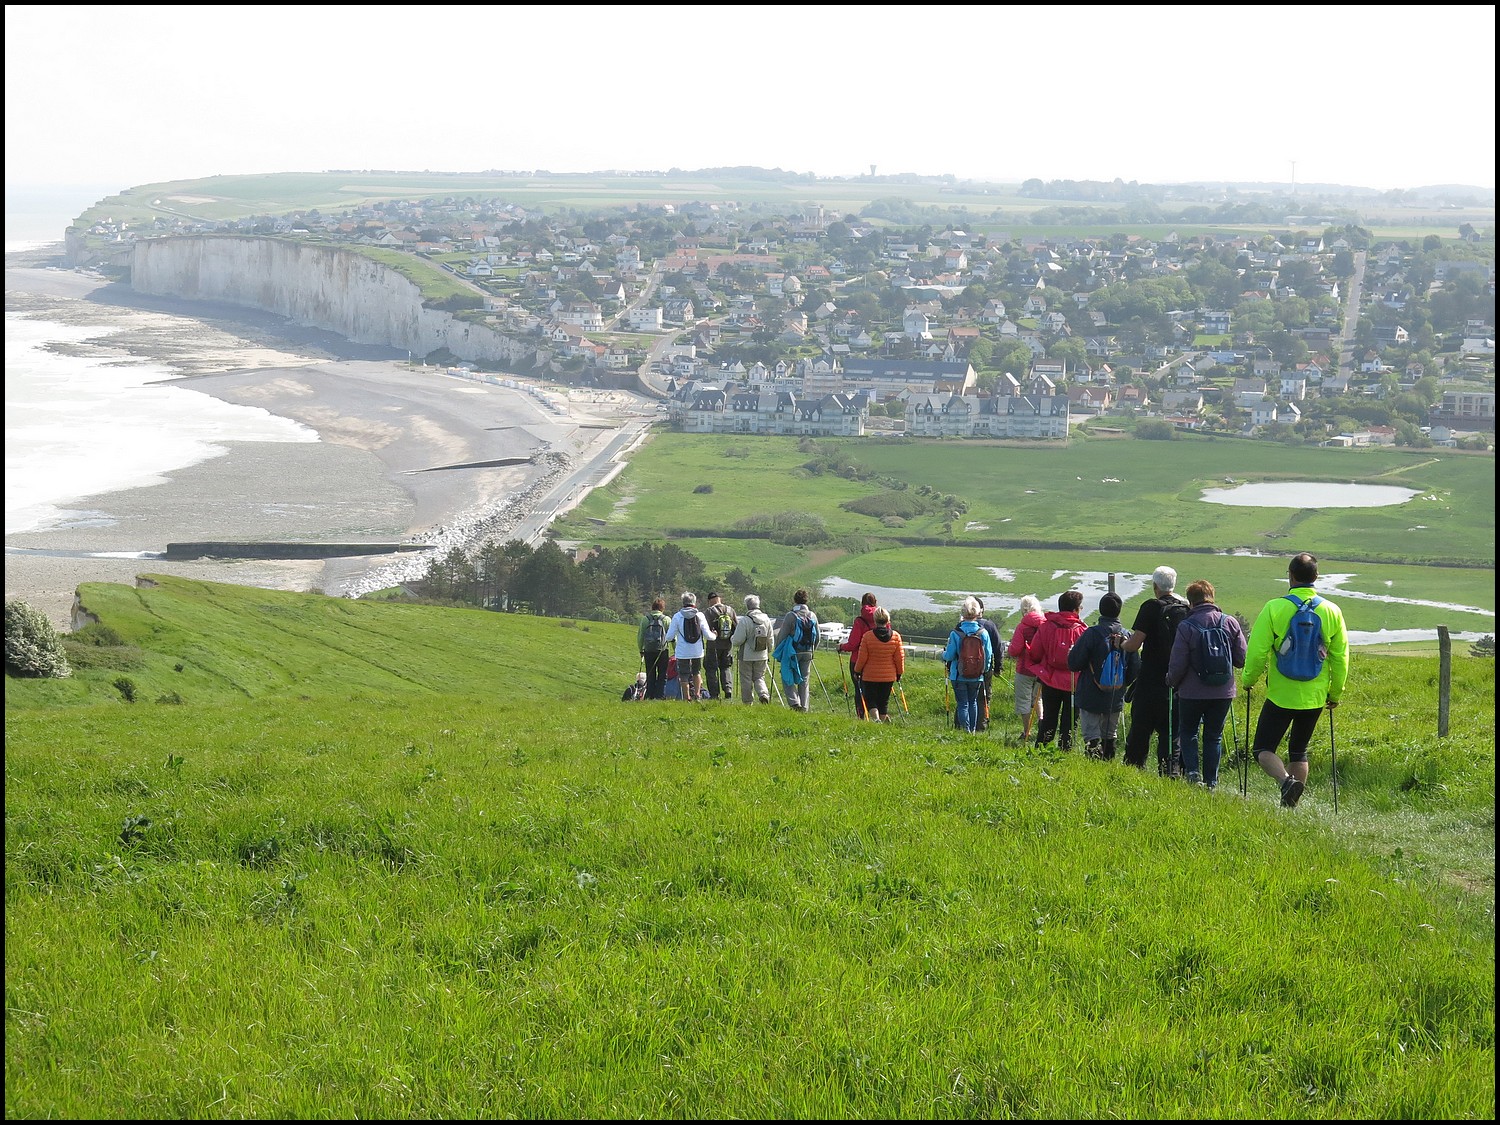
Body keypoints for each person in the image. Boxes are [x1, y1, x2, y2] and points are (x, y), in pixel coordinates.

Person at [1242, 553, 1350, 808]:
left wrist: (1249, 680)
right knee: (1299, 750)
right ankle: (1291, 806)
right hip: (1314, 696)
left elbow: (1257, 652)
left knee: (1262, 749)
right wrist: (1335, 694)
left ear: (1289, 575)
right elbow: (1340, 658)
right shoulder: (1332, 610)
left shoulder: (1274, 607)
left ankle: (1285, 783)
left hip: (1281, 694)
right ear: (1316, 577)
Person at [1166, 579, 1248, 789]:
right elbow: (1241, 659)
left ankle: (1193, 774)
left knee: (1188, 731)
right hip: (1223, 691)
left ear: (1190, 602)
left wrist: (1171, 681)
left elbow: (1178, 662)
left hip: (1191, 692)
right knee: (1214, 736)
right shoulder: (1229, 622)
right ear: (1212, 597)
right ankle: (1211, 782)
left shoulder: (1186, 626)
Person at [1121, 566, 1190, 776]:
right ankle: (1170, 771)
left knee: (1141, 728)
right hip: (1177, 680)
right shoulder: (1185, 608)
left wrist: (1122, 644)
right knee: (1171, 732)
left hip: (1150, 679)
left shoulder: (1151, 607)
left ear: (1154, 586)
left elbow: (1135, 644)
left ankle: (1134, 768)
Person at [1067, 592, 1139, 760]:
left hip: (1090, 693)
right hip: (1115, 694)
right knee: (1110, 733)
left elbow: (1074, 663)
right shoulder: (1127, 636)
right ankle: (1108, 764)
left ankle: (1093, 767)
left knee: (1091, 734)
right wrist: (1121, 683)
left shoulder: (1091, 634)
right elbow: (1135, 666)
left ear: (1100, 610)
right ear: (1119, 611)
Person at [1027, 590, 1087, 750]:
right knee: (1070, 720)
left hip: (1050, 678)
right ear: (1076, 609)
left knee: (1049, 717)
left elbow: (1035, 652)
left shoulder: (1046, 626)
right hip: (1074, 682)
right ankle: (1065, 750)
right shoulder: (1082, 630)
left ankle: (1041, 748)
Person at [942, 596, 993, 733]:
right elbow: (988, 654)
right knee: (973, 702)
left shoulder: (956, 633)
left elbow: (950, 655)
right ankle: (973, 731)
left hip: (958, 675)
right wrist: (984, 669)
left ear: (963, 613)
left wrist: (943, 655)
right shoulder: (983, 633)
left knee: (962, 703)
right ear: (977, 612)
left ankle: (966, 731)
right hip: (977, 675)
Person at [853, 607, 905, 722]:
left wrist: (857, 671)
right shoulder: (896, 637)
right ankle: (881, 720)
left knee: (870, 699)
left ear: (875, 620)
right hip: (888, 675)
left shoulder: (867, 636)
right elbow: (899, 658)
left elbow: (862, 658)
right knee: (883, 700)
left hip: (870, 675)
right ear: (888, 621)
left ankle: (876, 720)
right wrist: (899, 673)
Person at [1007, 594, 1046, 743]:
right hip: (1041, 670)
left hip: (1024, 669)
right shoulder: (1045, 625)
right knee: (1038, 698)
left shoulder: (1022, 627)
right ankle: (1042, 725)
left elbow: (1014, 650)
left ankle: (1026, 732)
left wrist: (1010, 649)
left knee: (1023, 700)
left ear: (1023, 610)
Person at [665, 591, 715, 703]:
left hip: (682, 652)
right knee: (696, 672)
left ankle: (686, 698)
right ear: (694, 602)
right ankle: (697, 695)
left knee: (683, 675)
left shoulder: (677, 616)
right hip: (697, 651)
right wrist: (715, 635)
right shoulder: (700, 615)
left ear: (683, 602)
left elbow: (669, 637)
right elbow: (708, 635)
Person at [775, 589, 819, 712]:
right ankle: (804, 706)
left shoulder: (791, 616)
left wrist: (777, 651)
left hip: (792, 651)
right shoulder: (812, 615)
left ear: (795, 600)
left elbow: (782, 635)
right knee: (804, 679)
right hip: (808, 651)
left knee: (787, 675)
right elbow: (818, 637)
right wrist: (812, 650)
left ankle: (794, 703)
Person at [838, 592, 880, 718]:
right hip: (876, 660)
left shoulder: (859, 621)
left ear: (862, 603)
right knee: (875, 689)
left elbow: (853, 644)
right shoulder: (882, 619)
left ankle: (861, 715)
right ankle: (878, 714)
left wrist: (841, 647)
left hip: (858, 660)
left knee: (859, 689)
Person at [730, 594, 775, 704]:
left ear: (747, 606)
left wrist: (732, 638)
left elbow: (737, 640)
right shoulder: (767, 619)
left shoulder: (745, 620)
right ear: (758, 605)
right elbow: (770, 638)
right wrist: (769, 650)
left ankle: (748, 702)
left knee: (746, 678)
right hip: (762, 654)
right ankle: (763, 694)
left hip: (746, 655)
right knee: (759, 677)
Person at [973, 597, 1006, 732]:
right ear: (981, 610)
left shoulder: (960, 627)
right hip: (984, 669)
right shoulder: (989, 626)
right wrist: (998, 667)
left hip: (963, 669)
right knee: (984, 697)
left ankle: (962, 726)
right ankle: (981, 726)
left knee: (965, 698)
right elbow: (998, 648)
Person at [702, 591, 738, 701]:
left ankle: (714, 694)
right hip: (727, 645)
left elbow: (705, 628)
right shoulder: (730, 610)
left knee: (711, 669)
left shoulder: (709, 612)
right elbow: (736, 627)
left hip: (713, 645)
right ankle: (728, 689)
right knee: (725, 667)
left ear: (709, 601)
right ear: (720, 598)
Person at [637, 596, 672, 700]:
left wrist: (641, 650)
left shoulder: (645, 619)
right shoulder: (666, 619)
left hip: (648, 650)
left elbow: (640, 636)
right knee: (662, 675)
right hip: (662, 651)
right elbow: (672, 637)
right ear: (662, 608)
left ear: (652, 607)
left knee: (650, 674)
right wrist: (675, 650)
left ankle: (649, 696)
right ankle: (660, 696)